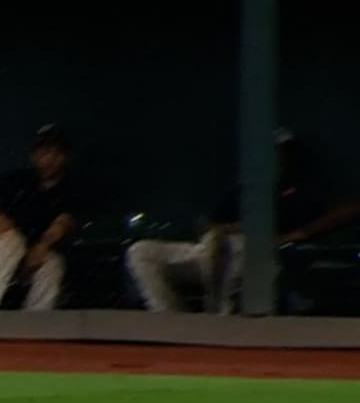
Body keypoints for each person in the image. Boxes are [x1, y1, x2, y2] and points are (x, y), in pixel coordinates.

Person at [124, 128, 360, 314]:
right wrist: (227, 230)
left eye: (277, 153)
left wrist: (301, 233)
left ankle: (223, 315)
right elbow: (207, 225)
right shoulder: (243, 189)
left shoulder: (300, 191)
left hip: (260, 258)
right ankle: (169, 317)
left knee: (238, 244)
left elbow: (351, 207)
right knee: (141, 250)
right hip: (210, 253)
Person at [0, 123, 77, 310]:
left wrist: (41, 248)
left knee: (52, 264)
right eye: (44, 152)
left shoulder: (70, 190)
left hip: (23, 260)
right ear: (34, 155)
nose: (49, 159)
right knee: (10, 240)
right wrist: (4, 225)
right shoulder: (12, 181)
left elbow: (62, 224)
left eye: (56, 153)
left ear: (65, 157)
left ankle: (34, 326)